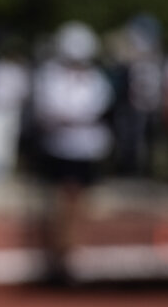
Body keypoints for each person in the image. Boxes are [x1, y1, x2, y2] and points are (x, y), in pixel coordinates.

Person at [29, 20, 113, 286]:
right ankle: (62, 256)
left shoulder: (95, 78)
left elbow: (96, 107)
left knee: (80, 203)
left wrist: (74, 117)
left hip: (86, 148)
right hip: (61, 148)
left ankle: (72, 252)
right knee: (64, 201)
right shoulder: (51, 76)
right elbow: (52, 110)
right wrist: (74, 118)